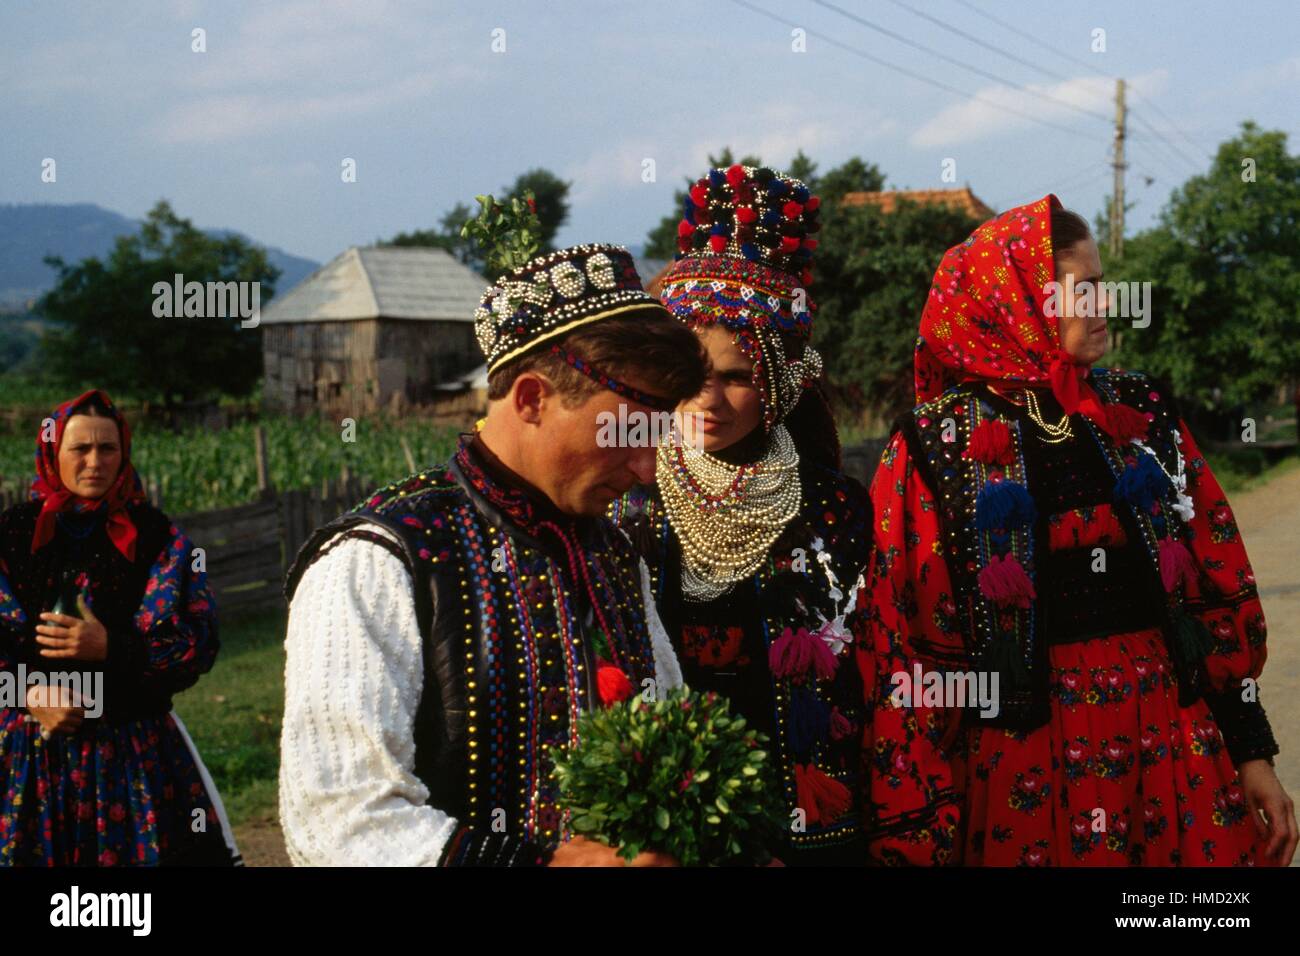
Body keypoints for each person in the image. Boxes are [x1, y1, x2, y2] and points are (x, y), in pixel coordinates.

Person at [864, 194, 1297, 866]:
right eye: (1081, 290)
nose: (1102, 306)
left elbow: (1216, 585)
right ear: (1012, 303)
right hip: (1023, 757)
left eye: (1102, 287)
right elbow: (909, 644)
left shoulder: (1141, 409)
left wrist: (1252, 750)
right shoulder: (933, 444)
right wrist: (924, 822)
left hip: (1170, 737)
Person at [279, 241, 708, 866]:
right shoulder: (377, 562)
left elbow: (672, 738)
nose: (647, 469)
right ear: (532, 399)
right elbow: (338, 821)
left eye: (660, 437)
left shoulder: (614, 556)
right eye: (626, 432)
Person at [609, 164, 873, 865]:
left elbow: (869, 669)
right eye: (691, 377)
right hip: (665, 809)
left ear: (781, 382)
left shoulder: (834, 508)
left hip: (808, 805)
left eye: (734, 378)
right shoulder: (627, 498)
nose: (707, 403)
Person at [0, 389, 239, 866]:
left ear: (123, 453)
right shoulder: (11, 536)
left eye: (107, 448)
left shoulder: (157, 538)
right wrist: (27, 693)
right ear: (53, 452)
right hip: (26, 756)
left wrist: (110, 647)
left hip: (132, 757)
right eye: (80, 449)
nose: (95, 462)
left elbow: (196, 644)